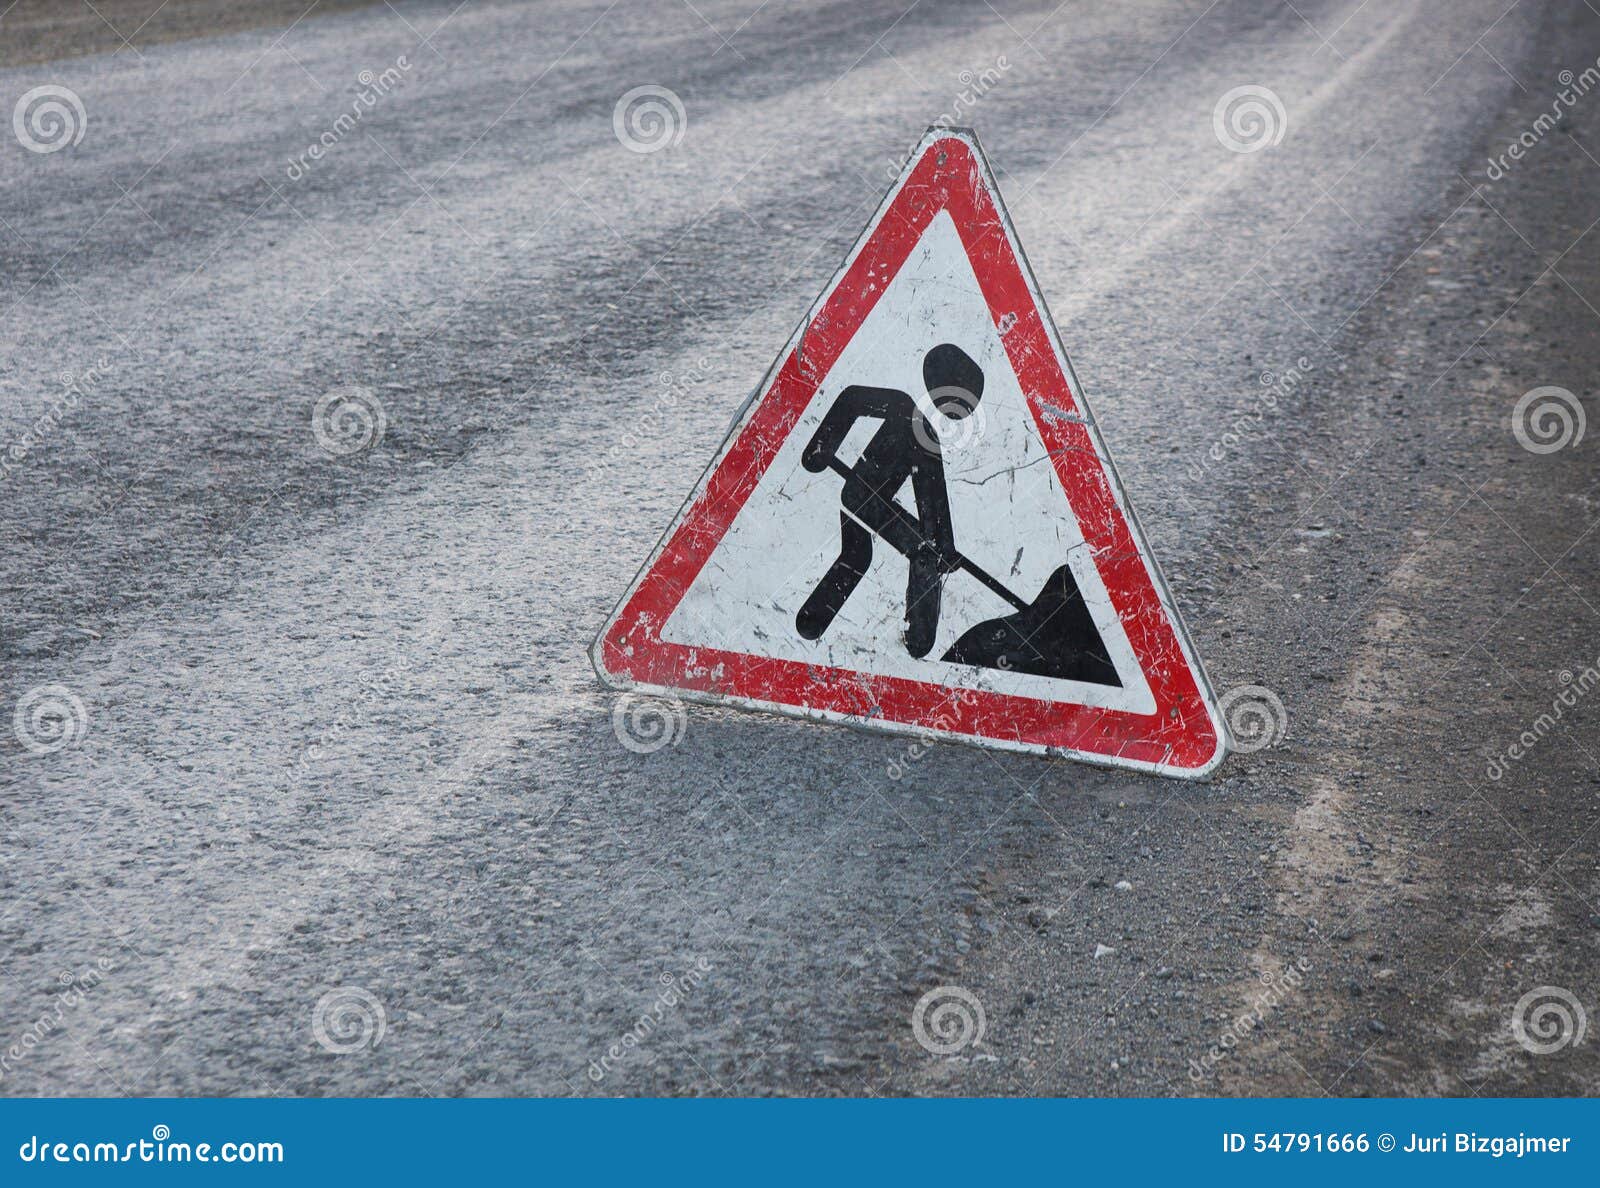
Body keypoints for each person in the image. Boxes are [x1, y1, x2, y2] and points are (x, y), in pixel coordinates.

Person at [795, 343, 984, 658]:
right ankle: (918, 638)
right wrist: (820, 446)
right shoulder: (904, 407)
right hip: (861, 495)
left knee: (863, 554)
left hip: (872, 501)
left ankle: (815, 620)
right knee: (915, 556)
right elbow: (851, 399)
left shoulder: (928, 436)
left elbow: (932, 498)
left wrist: (946, 545)